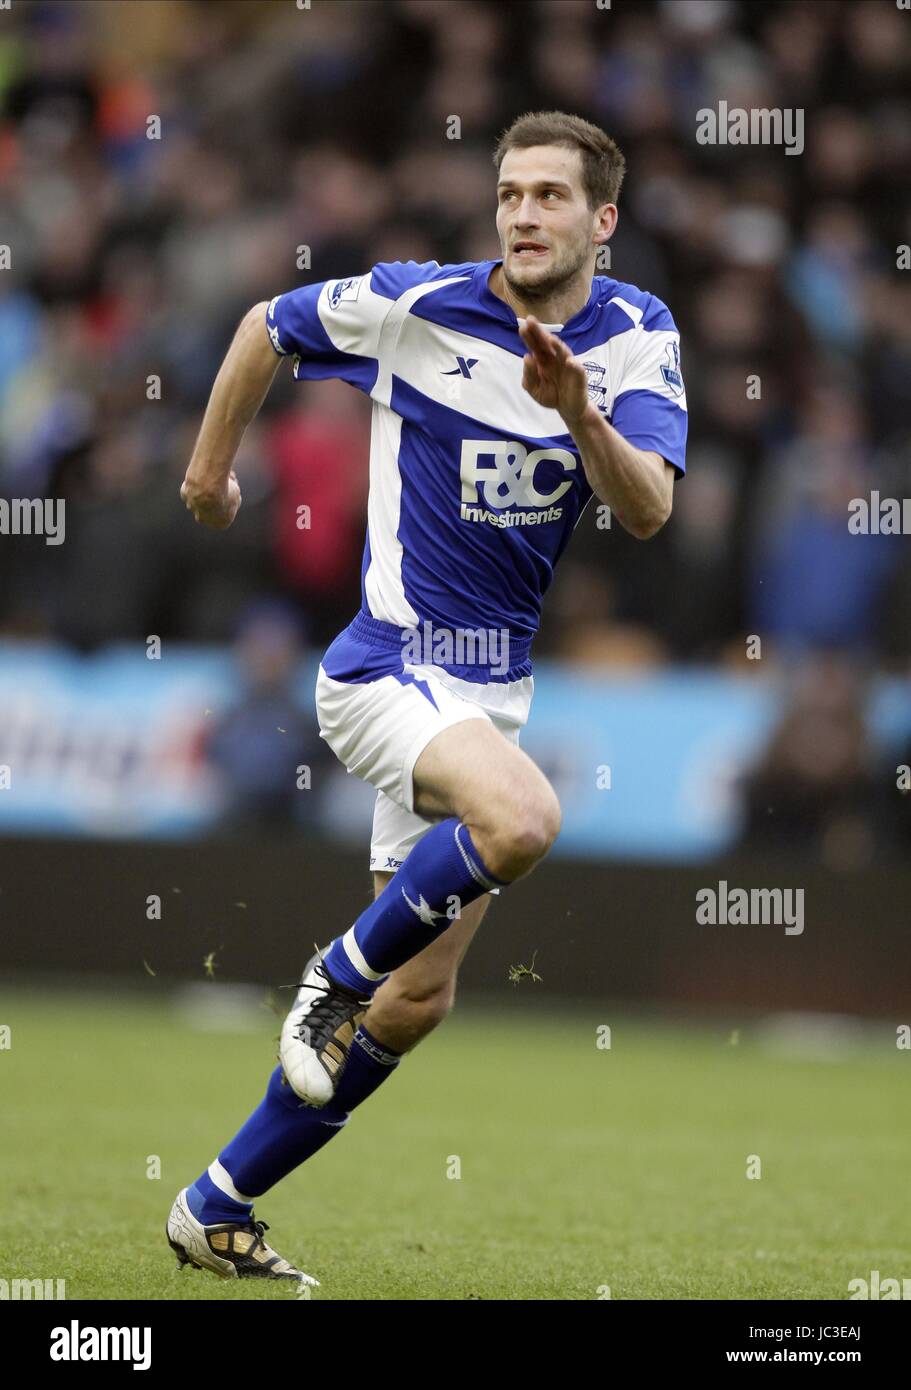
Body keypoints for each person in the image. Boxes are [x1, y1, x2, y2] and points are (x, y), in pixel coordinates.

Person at [166, 110, 687, 1285]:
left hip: (487, 693)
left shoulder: (637, 335)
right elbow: (266, 324)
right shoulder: (420, 303)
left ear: (601, 221)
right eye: (510, 193)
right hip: (386, 667)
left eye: (550, 197)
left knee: (419, 998)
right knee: (522, 821)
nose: (522, 215)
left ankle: (217, 1203)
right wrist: (208, 474)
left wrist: (576, 410)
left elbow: (647, 506)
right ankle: (325, 981)